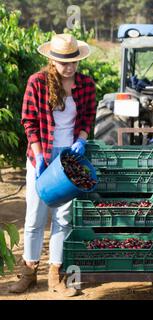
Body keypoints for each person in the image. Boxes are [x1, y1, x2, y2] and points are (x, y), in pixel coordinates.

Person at [9, 34, 96, 297]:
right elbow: (29, 121)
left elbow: (88, 117)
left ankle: (55, 276)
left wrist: (81, 139)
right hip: (42, 154)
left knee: (63, 217)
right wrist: (39, 158)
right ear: (52, 60)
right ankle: (29, 272)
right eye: (63, 62)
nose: (69, 67)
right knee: (35, 216)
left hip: (68, 159)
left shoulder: (86, 85)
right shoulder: (37, 83)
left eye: (73, 62)